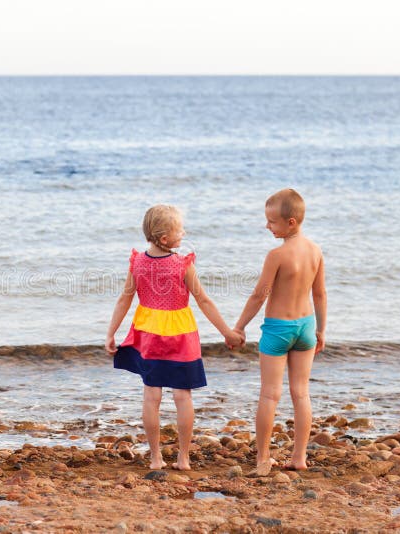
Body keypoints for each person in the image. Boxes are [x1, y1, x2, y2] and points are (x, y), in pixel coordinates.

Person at [106, 204, 243, 471]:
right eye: (180, 230)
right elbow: (203, 299)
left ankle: (156, 457)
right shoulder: (182, 265)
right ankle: (183, 457)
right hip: (180, 333)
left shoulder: (138, 262)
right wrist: (227, 332)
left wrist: (111, 333)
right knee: (183, 395)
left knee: (151, 395)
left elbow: (125, 298)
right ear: (166, 238)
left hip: (149, 333)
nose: (184, 233)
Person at [232, 189, 327, 475]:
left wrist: (239, 326)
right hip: (306, 326)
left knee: (269, 396)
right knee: (301, 393)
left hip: (277, 330)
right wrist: (322, 329)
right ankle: (299, 457)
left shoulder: (277, 255)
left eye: (272, 222)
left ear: (291, 222)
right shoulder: (315, 250)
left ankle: (263, 458)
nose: (267, 226)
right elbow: (320, 294)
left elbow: (259, 296)